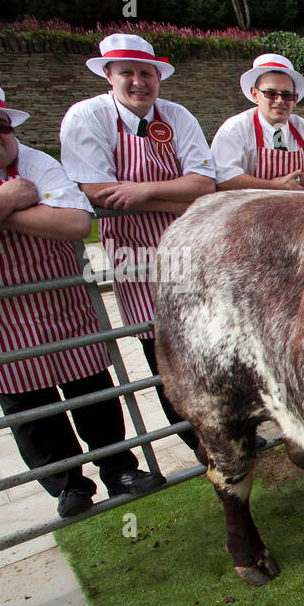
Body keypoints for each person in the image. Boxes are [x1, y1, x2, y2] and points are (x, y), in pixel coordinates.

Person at [0, 79, 163, 518]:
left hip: (55, 295)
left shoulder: (33, 160)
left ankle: (118, 468)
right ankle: (67, 484)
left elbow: (75, 223)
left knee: (91, 385)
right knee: (26, 402)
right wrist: (8, 200)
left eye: (2, 124)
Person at [60, 34, 216, 455]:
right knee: (162, 349)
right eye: (126, 72)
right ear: (108, 75)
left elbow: (204, 184)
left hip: (190, 244)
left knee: (205, 338)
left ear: (157, 77)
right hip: (136, 252)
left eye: (145, 72)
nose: (137, 82)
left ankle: (224, 428)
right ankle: (196, 440)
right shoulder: (86, 117)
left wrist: (142, 192)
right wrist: (176, 194)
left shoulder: (177, 115)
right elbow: (97, 190)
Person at [210, 54, 304, 192]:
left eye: (287, 95)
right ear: (255, 94)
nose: (280, 100)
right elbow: (224, 179)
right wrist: (274, 186)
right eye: (271, 93)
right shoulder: (234, 129)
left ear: (295, 99)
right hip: (248, 211)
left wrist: (296, 180)